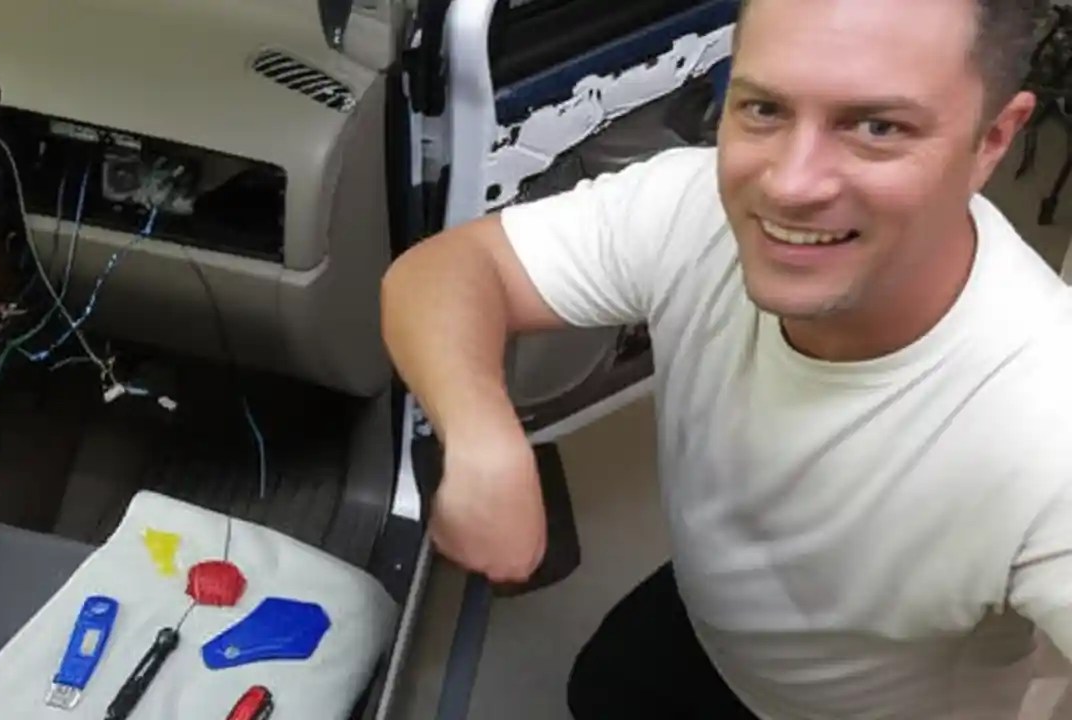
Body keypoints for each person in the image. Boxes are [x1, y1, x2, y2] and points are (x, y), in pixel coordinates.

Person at [379, 0, 1072, 716]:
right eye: (765, 109)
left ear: (992, 140)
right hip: (721, 620)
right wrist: (483, 439)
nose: (789, 185)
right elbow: (446, 271)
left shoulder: (1047, 422)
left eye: (877, 127)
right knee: (601, 686)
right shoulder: (689, 206)